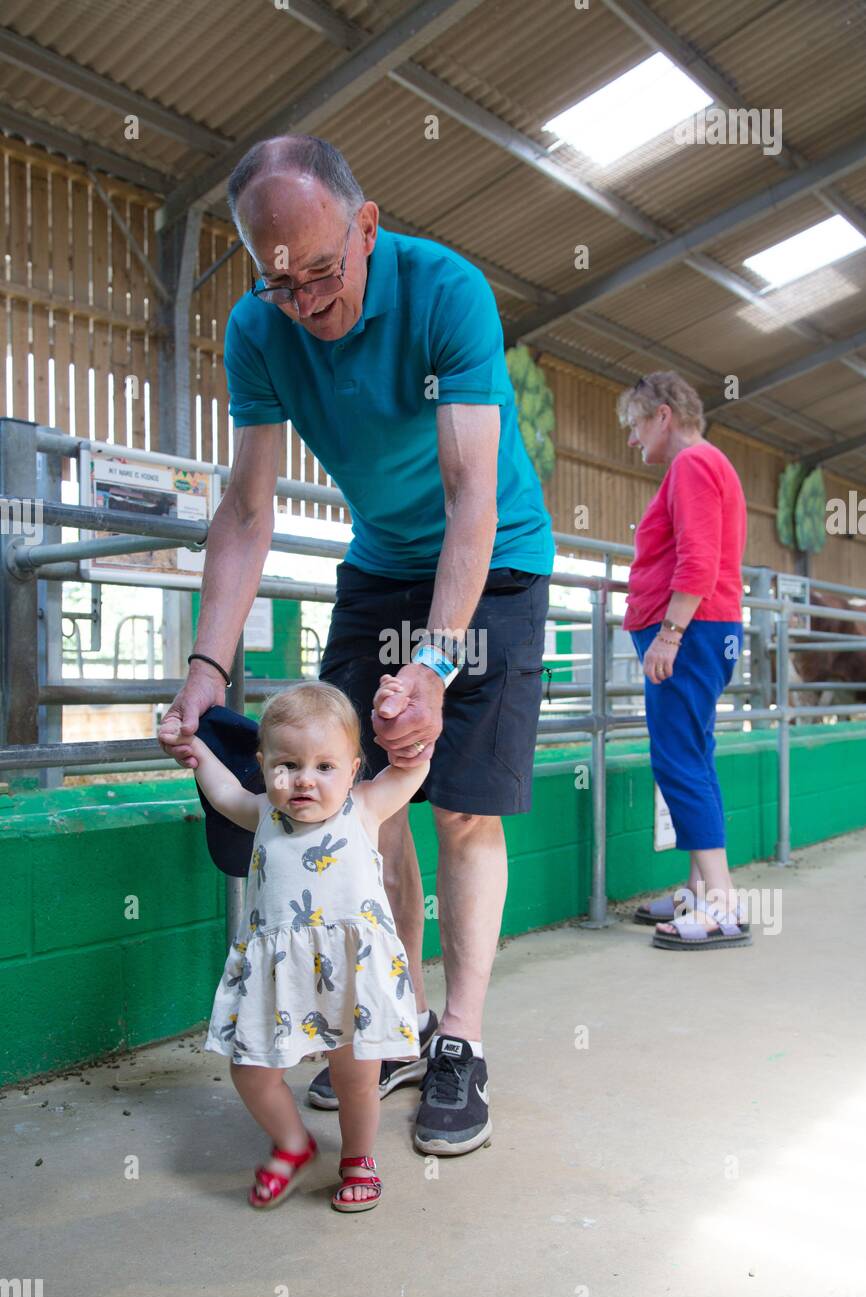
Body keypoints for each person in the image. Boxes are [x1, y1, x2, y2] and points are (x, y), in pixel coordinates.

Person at [158, 133, 554, 1156]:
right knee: (356, 800)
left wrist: (431, 664)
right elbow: (245, 511)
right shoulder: (260, 330)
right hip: (379, 566)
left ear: (366, 227)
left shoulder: (443, 292)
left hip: (493, 559)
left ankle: (460, 1040)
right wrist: (207, 668)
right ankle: (396, 1019)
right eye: (276, 280)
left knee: (459, 802)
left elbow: (469, 496)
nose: (302, 301)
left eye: (322, 272)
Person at [190, 677, 428, 1212]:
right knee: (249, 1069)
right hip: (278, 975)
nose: (304, 780)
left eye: (324, 766)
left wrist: (406, 729)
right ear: (264, 762)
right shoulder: (262, 816)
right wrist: (194, 748)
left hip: (352, 975)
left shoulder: (363, 809)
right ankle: (293, 1144)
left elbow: (412, 769)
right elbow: (224, 791)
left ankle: (358, 1157)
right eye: (287, 765)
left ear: (353, 769)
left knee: (356, 1078)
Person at [617, 372, 750, 950]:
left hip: (691, 631)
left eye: (635, 424)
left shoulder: (692, 465)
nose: (632, 439)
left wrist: (669, 632)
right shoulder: (709, 463)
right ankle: (701, 893)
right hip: (708, 628)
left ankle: (720, 906)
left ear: (662, 415)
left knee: (677, 760)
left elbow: (698, 557)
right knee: (694, 755)